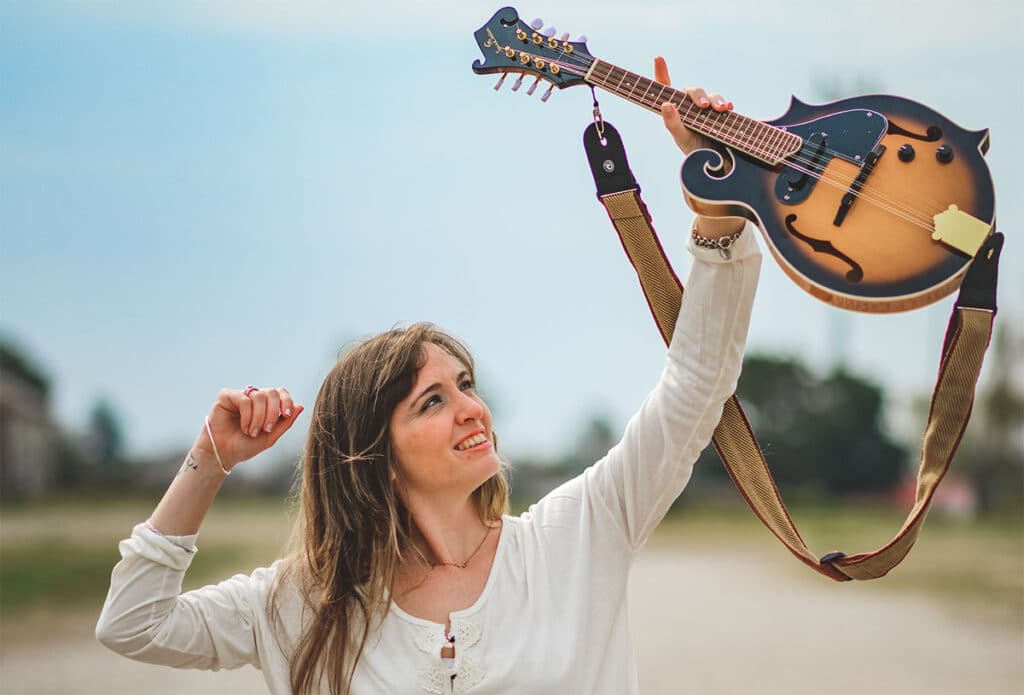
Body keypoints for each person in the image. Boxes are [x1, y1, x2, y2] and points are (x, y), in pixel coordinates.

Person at [97, 59, 761, 695]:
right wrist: (210, 461)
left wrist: (720, 204)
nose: (471, 408)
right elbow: (132, 622)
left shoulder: (577, 536)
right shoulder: (306, 602)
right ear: (376, 452)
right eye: (433, 400)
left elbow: (695, 382)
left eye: (467, 385)